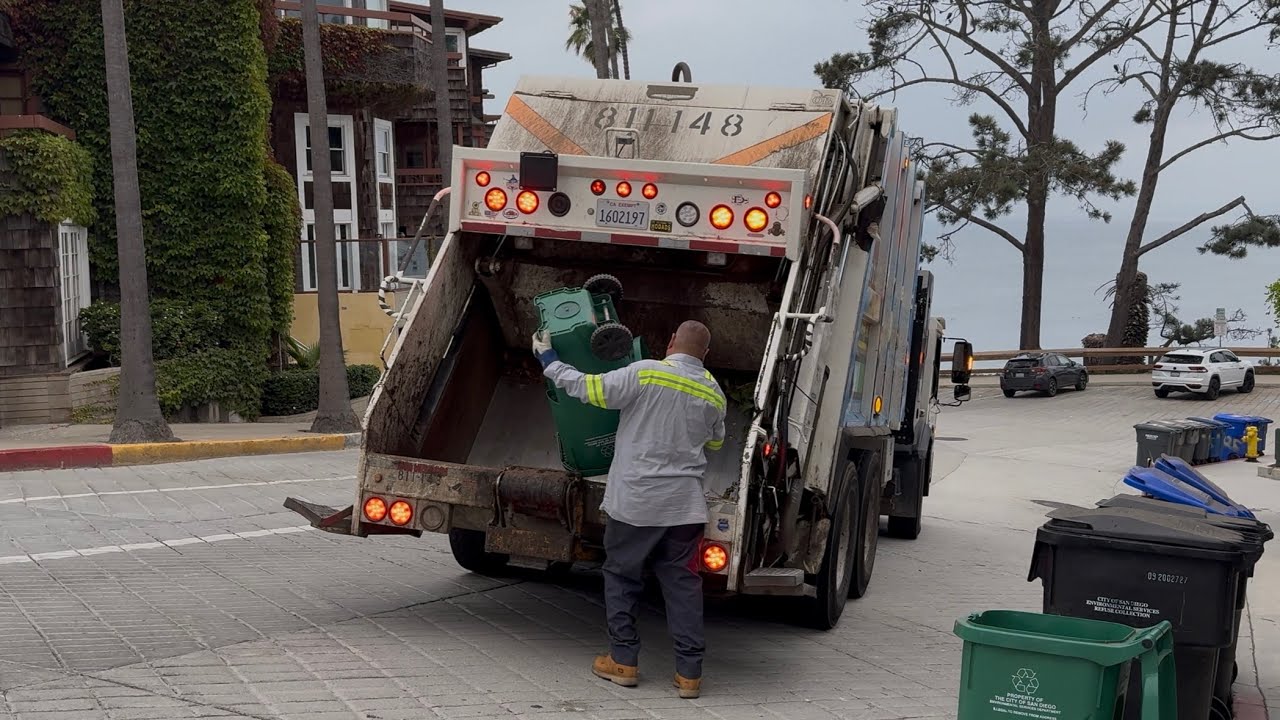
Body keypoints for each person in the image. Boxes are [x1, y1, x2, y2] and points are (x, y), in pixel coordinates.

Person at [532, 320, 726, 699]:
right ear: (707, 354)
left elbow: (587, 389)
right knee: (683, 585)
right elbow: (716, 444)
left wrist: (549, 359)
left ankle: (623, 661)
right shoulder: (714, 392)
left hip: (636, 501)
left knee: (622, 577)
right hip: (684, 507)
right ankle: (689, 674)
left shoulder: (646, 373)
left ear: (670, 341)